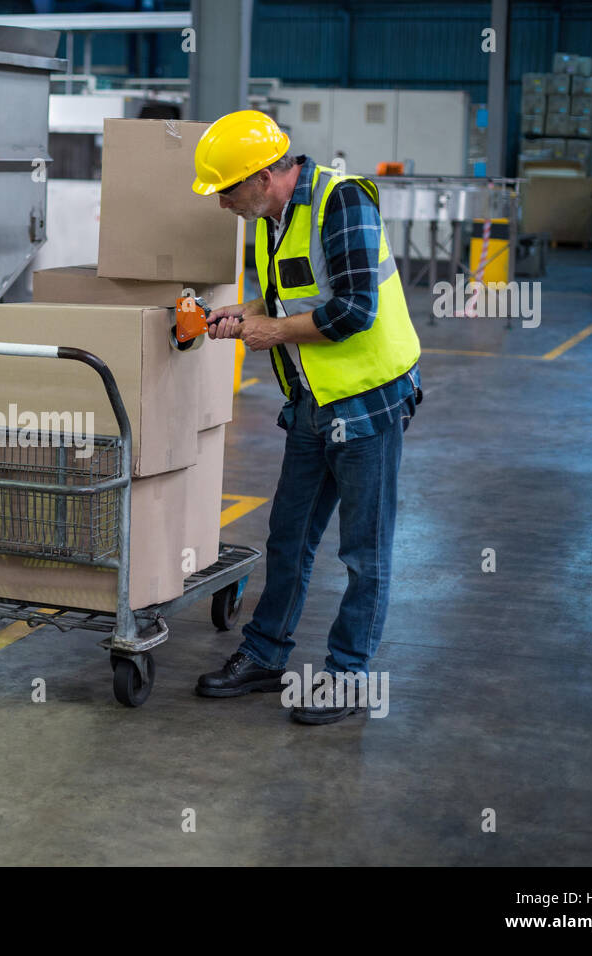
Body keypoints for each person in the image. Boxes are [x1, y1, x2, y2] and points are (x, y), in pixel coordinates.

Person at [190, 110, 422, 725]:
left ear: (265, 176)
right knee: (288, 539)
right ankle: (266, 654)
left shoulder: (341, 203)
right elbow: (290, 292)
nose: (221, 205)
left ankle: (348, 676)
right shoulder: (273, 218)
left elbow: (354, 310)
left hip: (368, 403)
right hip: (312, 404)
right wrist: (242, 313)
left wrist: (271, 331)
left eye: (227, 190)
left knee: (364, 554)